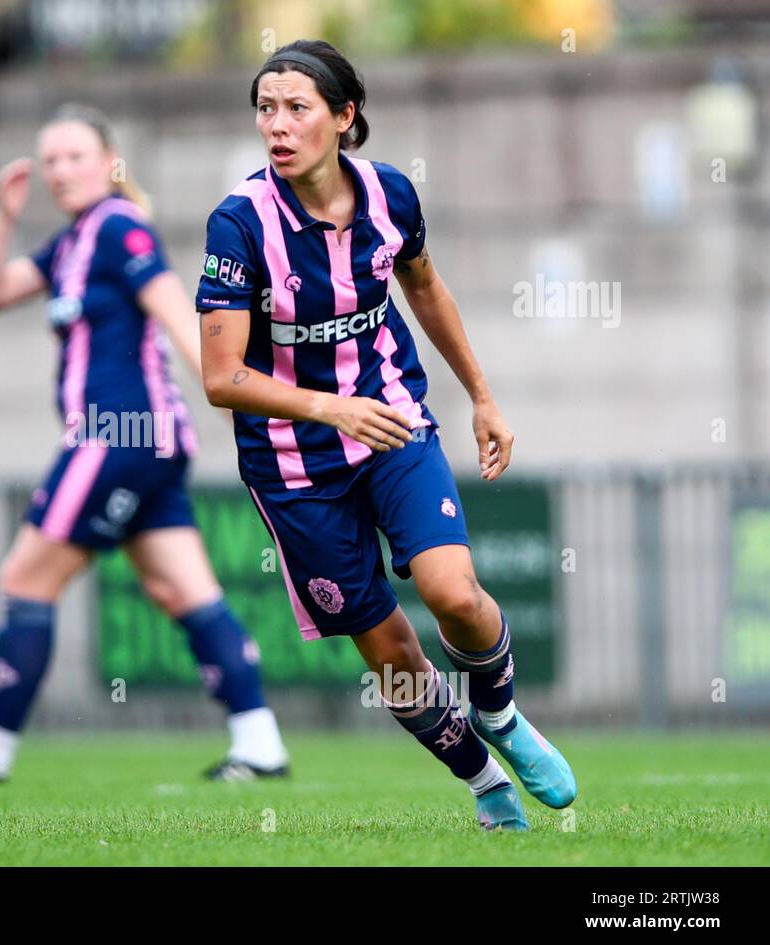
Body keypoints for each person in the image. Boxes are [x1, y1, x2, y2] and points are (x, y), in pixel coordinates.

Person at [196, 40, 576, 829]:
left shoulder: (391, 196)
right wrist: (329, 408)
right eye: (266, 109)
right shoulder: (238, 224)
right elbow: (221, 378)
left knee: (452, 593)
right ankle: (484, 784)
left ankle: (500, 716)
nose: (278, 124)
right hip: (294, 467)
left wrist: (482, 396)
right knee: (393, 656)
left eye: (297, 108)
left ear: (345, 117)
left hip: (395, 424)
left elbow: (427, 289)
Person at [0, 103, 289, 784]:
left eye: (74, 156)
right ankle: (260, 745)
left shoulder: (117, 228)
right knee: (183, 591)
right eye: (49, 160)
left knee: (24, 576)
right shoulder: (72, 243)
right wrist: (2, 215)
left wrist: (239, 403)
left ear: (109, 163)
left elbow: (178, 313)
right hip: (150, 442)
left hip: (119, 436)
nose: (59, 171)